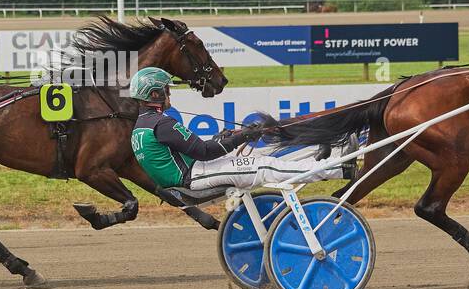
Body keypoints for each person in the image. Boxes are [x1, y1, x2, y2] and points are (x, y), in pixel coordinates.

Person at [127, 67, 347, 194]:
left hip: (189, 175)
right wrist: (243, 135)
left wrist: (219, 138)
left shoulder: (141, 126)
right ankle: (339, 169)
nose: (169, 95)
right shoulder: (162, 124)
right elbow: (204, 152)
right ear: (154, 95)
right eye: (166, 90)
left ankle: (321, 161)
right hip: (193, 177)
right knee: (264, 165)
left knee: (262, 155)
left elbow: (184, 152)